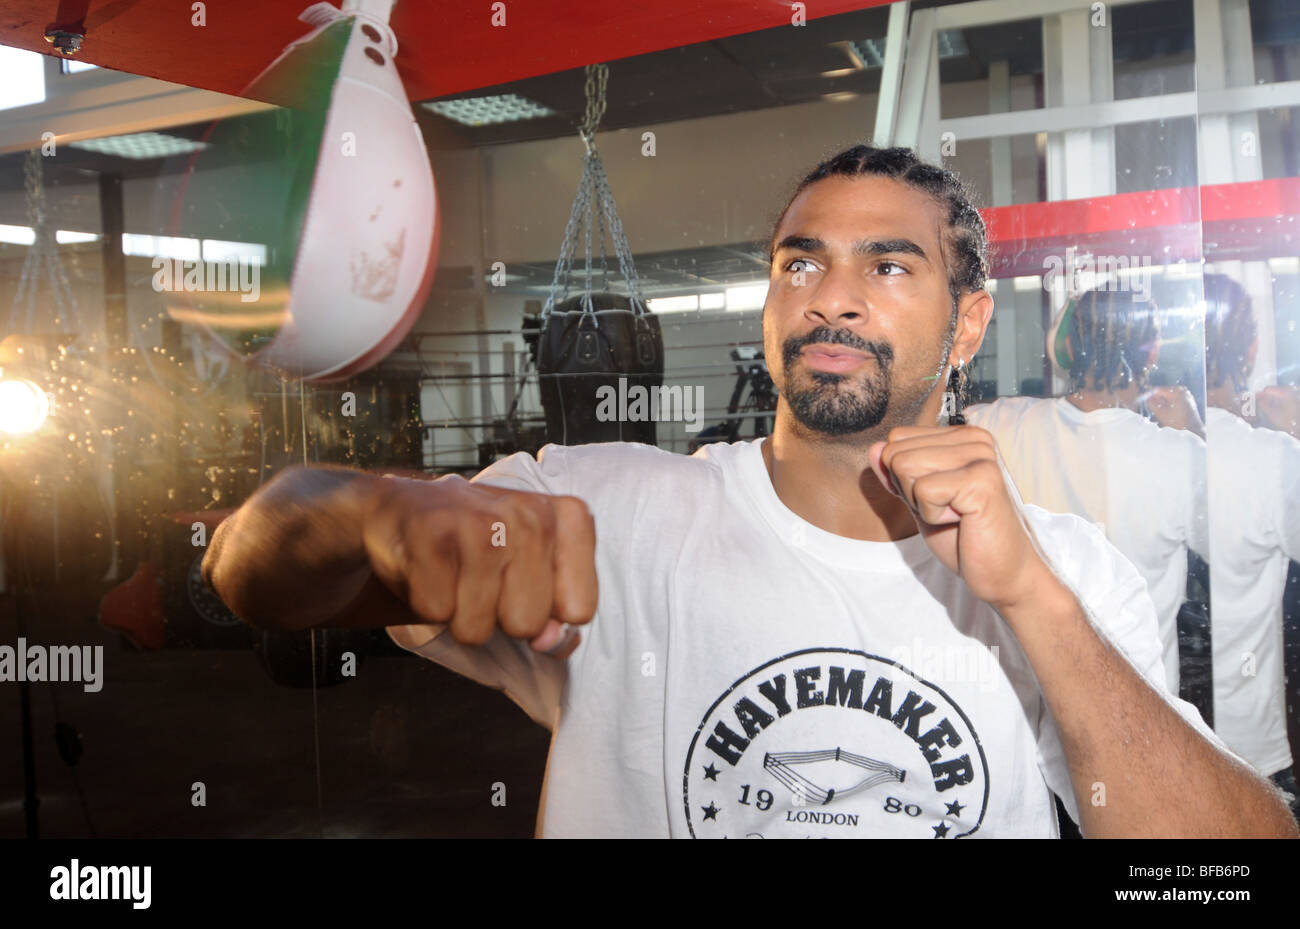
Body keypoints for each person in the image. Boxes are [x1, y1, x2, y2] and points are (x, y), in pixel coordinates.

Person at [203, 145, 1297, 838]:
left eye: (890, 265)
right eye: (799, 261)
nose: (832, 297)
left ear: (966, 324)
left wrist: (1039, 607)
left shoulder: (1071, 570)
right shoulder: (601, 510)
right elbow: (249, 569)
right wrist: (371, 513)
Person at [963, 284, 1208, 693]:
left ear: (1068, 347)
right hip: (1142, 714)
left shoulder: (996, 425)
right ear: (1152, 354)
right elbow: (1228, 544)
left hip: (1029, 707)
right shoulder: (1181, 454)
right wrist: (1195, 432)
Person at [1202, 271, 1300, 823]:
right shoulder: (1272, 459)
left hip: (1149, 739)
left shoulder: (1137, 443)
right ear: (1253, 348)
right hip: (1250, 754)